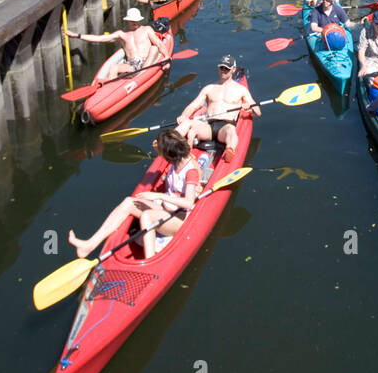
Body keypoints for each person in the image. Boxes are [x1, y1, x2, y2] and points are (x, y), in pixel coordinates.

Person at [68, 131, 202, 260]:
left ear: (169, 153)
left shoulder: (190, 171)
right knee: (128, 202)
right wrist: (159, 148)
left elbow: (188, 203)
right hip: (165, 210)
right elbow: (167, 151)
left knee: (147, 216)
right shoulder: (175, 159)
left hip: (180, 218)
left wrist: (158, 196)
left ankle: (150, 259)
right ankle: (89, 245)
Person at [174, 55, 260, 164]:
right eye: (221, 68)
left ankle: (230, 150)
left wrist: (250, 107)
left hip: (225, 127)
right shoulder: (209, 88)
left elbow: (258, 112)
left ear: (233, 70)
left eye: (227, 68)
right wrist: (184, 116)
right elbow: (193, 105)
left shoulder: (241, 90)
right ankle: (167, 142)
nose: (223, 71)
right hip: (208, 126)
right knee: (187, 124)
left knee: (231, 131)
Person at [64, 9, 163, 79]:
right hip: (131, 66)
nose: (135, 23)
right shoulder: (122, 34)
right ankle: (108, 90)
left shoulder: (147, 30)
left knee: (154, 48)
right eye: (132, 21)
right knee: (113, 67)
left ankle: (141, 76)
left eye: (136, 20)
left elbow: (159, 43)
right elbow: (99, 39)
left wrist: (167, 57)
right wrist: (77, 35)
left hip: (145, 62)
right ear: (128, 20)